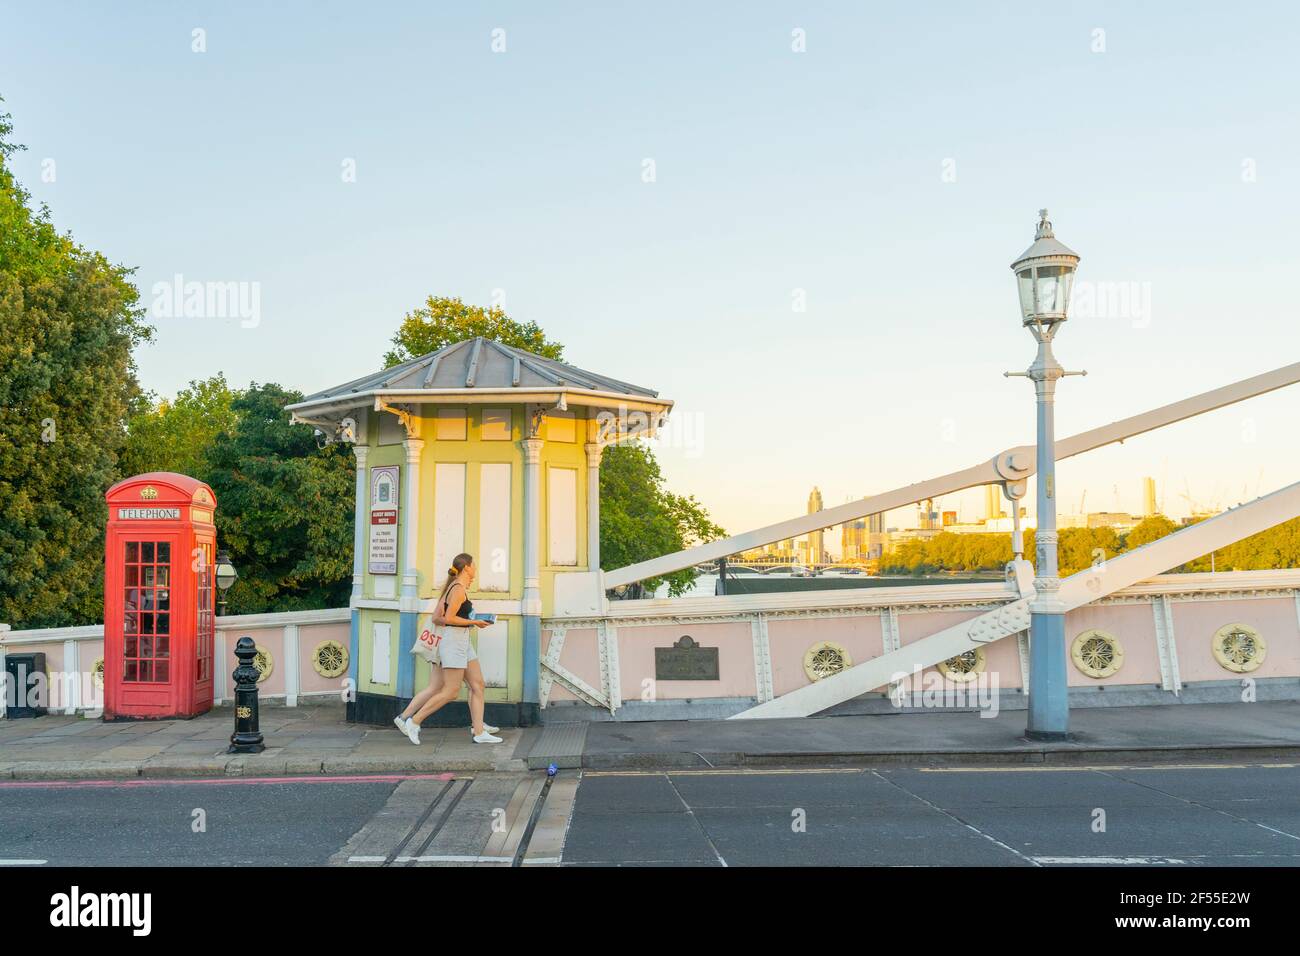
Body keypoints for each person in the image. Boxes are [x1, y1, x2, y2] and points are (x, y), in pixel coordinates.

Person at [394, 552, 502, 744]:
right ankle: (414, 721)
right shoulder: (458, 589)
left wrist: (470, 620)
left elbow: (438, 618)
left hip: (461, 641)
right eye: (474, 565)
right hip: (453, 642)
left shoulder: (453, 587)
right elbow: (450, 618)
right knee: (451, 691)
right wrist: (474, 621)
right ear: (466, 568)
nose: (475, 569)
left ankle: (479, 731)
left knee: (477, 684)